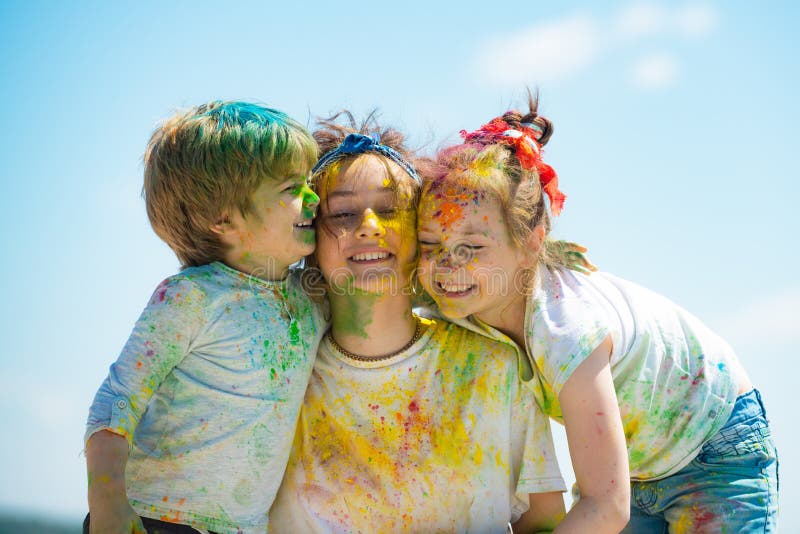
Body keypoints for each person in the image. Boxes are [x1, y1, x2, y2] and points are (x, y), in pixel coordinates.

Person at [415, 96, 779, 532]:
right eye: (429, 245)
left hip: (714, 447)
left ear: (532, 242)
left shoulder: (567, 329)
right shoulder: (461, 302)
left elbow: (605, 506)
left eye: (471, 247)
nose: (447, 265)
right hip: (632, 471)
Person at [268, 114, 567, 533]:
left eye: (390, 210)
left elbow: (545, 523)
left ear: (422, 230)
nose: (369, 228)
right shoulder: (273, 375)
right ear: (311, 236)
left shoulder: (495, 367)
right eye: (342, 215)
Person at [84, 101, 326, 534]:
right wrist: (109, 510)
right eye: (292, 188)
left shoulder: (312, 296)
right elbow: (114, 407)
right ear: (224, 221)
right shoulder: (191, 298)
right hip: (155, 520)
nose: (314, 198)